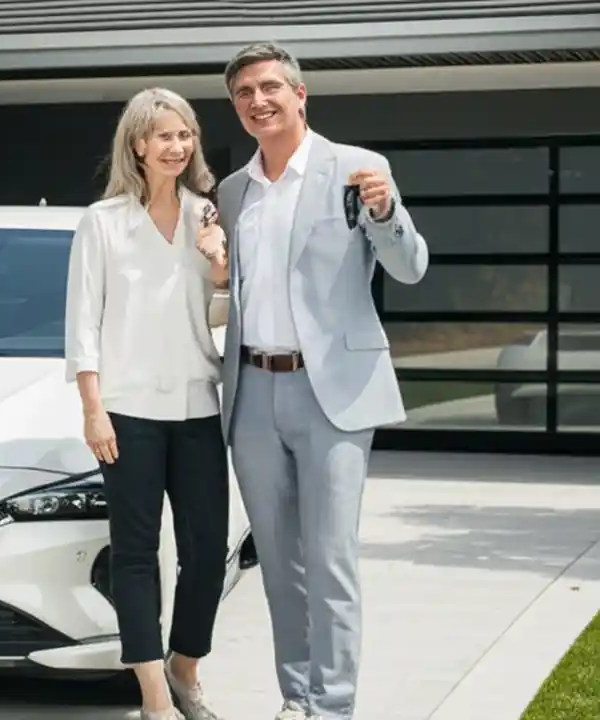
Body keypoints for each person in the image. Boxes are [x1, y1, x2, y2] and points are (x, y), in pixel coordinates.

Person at [214, 42, 430, 720]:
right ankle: (297, 697)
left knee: (330, 558)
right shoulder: (233, 192)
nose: (258, 101)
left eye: (270, 87)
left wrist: (387, 214)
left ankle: (332, 707)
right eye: (244, 92)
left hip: (333, 391)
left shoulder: (359, 170)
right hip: (252, 393)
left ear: (300, 94)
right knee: (280, 563)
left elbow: (410, 268)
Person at [64, 87, 232, 720]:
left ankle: (184, 667)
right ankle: (155, 696)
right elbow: (83, 322)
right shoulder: (102, 222)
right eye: (164, 135)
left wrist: (220, 266)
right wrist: (93, 408)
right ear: (137, 144)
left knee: (207, 550)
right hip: (127, 413)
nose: (177, 146)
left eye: (185, 134)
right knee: (135, 554)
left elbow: (221, 310)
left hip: (197, 406)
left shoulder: (205, 214)